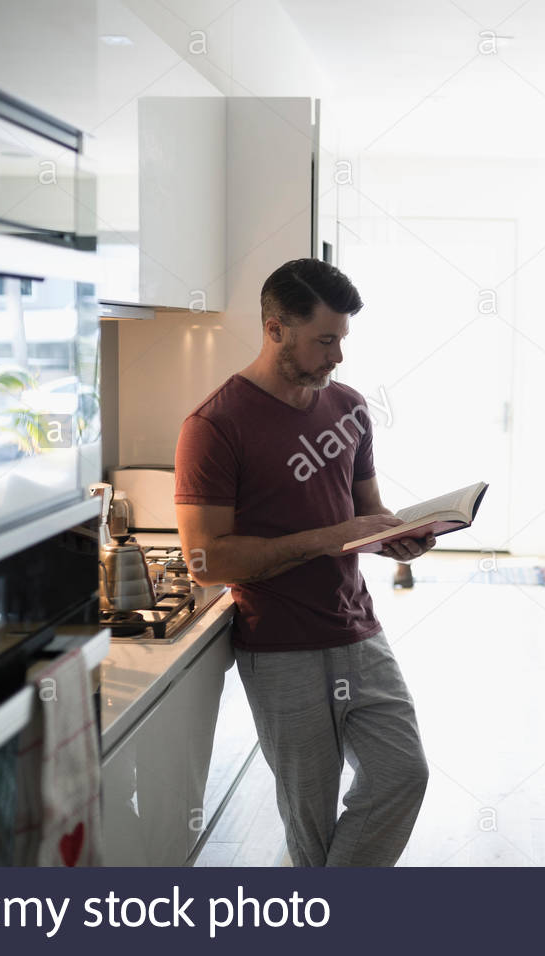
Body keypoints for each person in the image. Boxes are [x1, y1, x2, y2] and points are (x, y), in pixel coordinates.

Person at [173, 258, 432, 866]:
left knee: (404, 774)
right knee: (309, 823)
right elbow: (206, 559)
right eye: (324, 340)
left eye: (342, 339)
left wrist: (401, 534)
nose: (337, 355)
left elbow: (367, 510)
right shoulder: (213, 425)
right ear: (274, 330)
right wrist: (330, 537)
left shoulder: (348, 408)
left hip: (358, 628)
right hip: (280, 645)